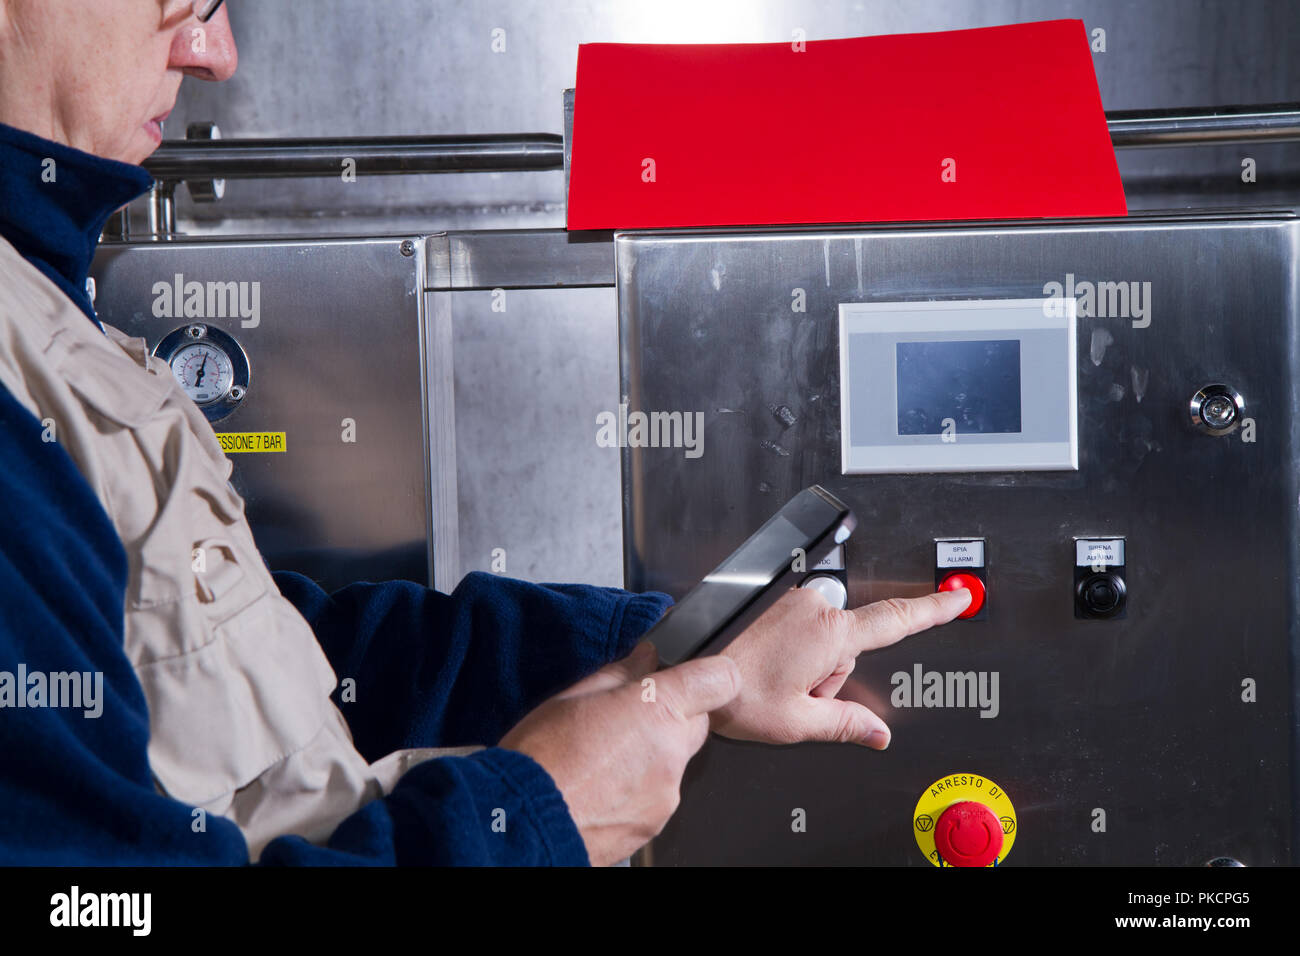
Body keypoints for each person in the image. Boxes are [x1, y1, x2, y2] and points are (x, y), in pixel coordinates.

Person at [0, 0, 972, 866]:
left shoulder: (42, 301)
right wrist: (534, 816)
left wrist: (664, 657)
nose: (216, 52)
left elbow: (254, 659)